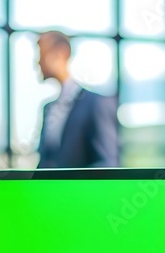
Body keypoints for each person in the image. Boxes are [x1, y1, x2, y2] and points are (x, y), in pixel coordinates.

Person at [35, 31, 119, 168]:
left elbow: (108, 163)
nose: (37, 62)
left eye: (41, 54)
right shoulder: (48, 108)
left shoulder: (96, 104)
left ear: (60, 53)